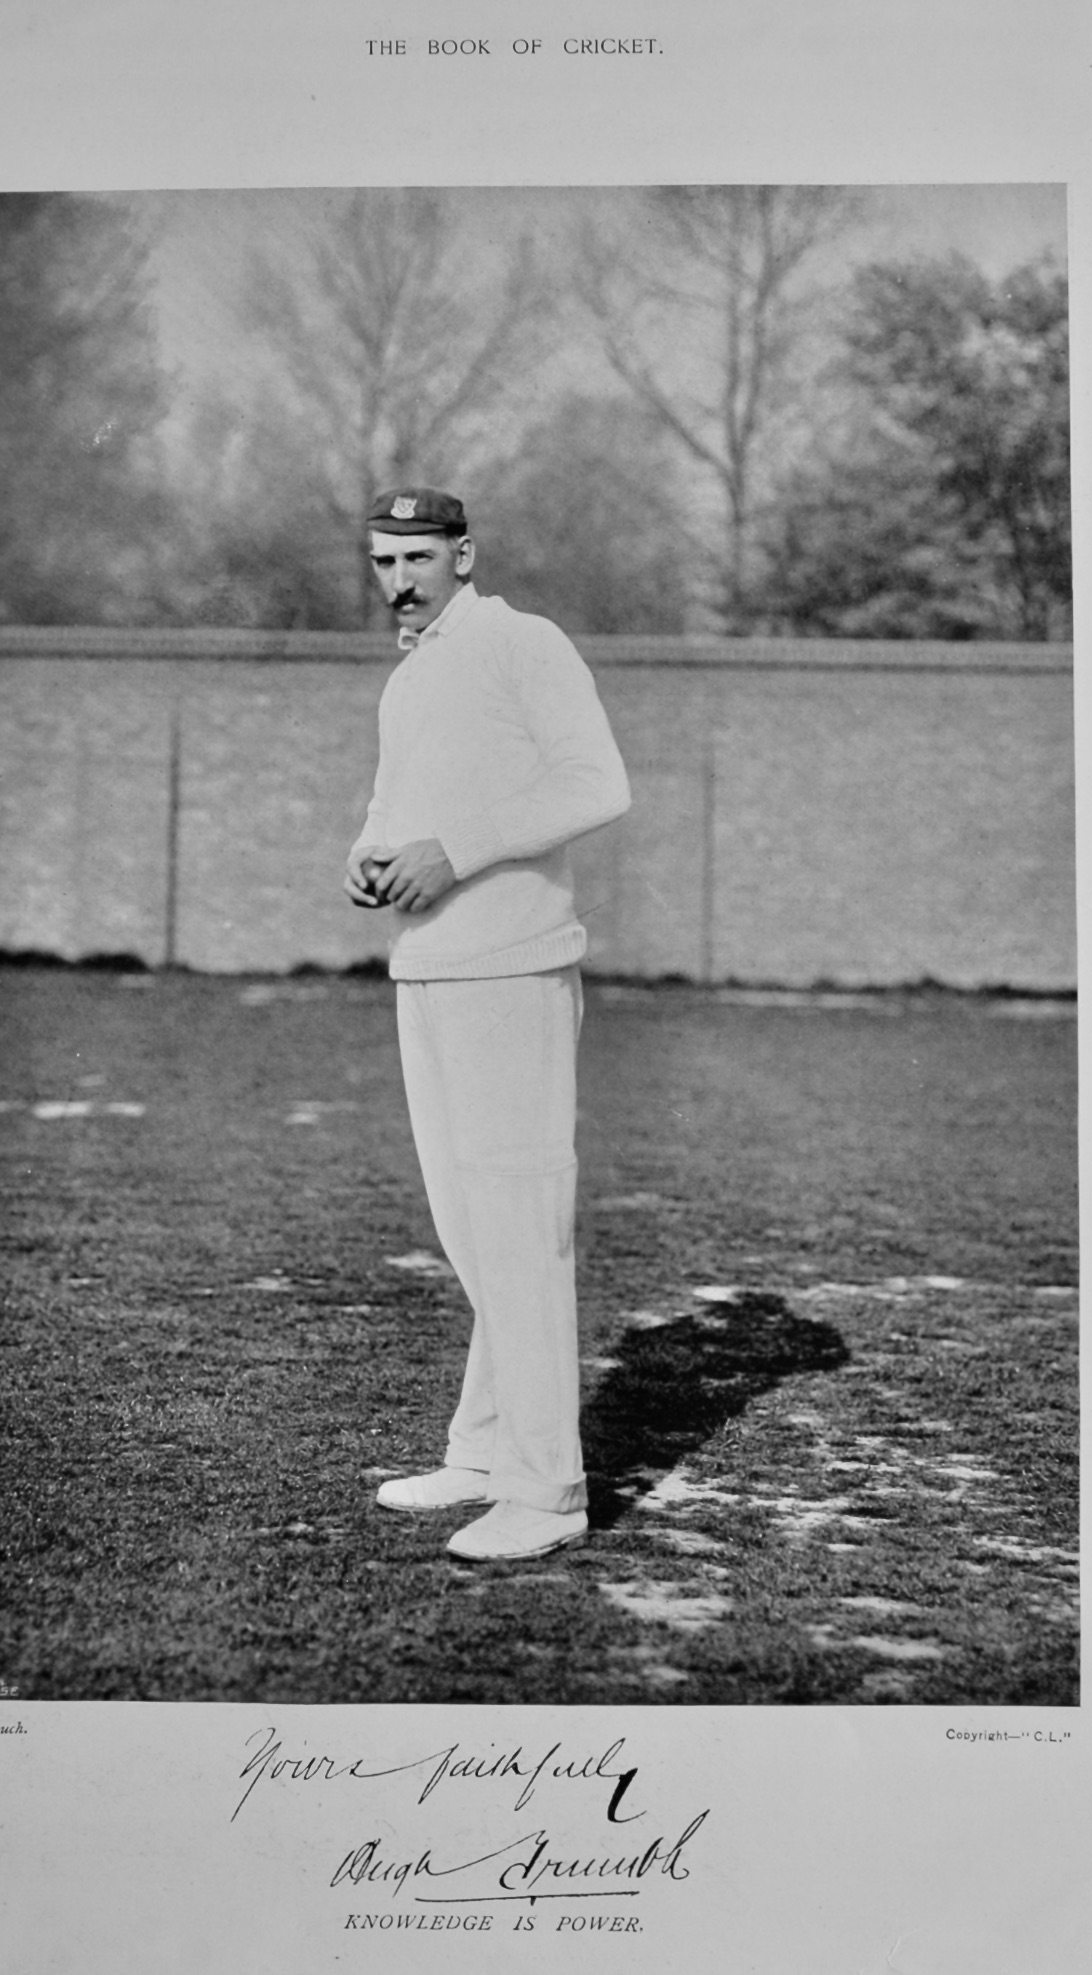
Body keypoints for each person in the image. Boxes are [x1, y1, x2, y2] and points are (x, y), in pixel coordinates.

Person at [344, 486, 631, 1561]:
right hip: (429, 966)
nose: (400, 579)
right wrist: (369, 851)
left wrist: (452, 851)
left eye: (418, 555)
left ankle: (547, 1491)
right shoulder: (415, 668)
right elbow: (397, 802)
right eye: (382, 560)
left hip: (512, 964)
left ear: (463, 553)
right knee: (471, 1227)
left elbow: (596, 784)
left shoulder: (522, 641)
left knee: (515, 1226)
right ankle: (479, 1449)